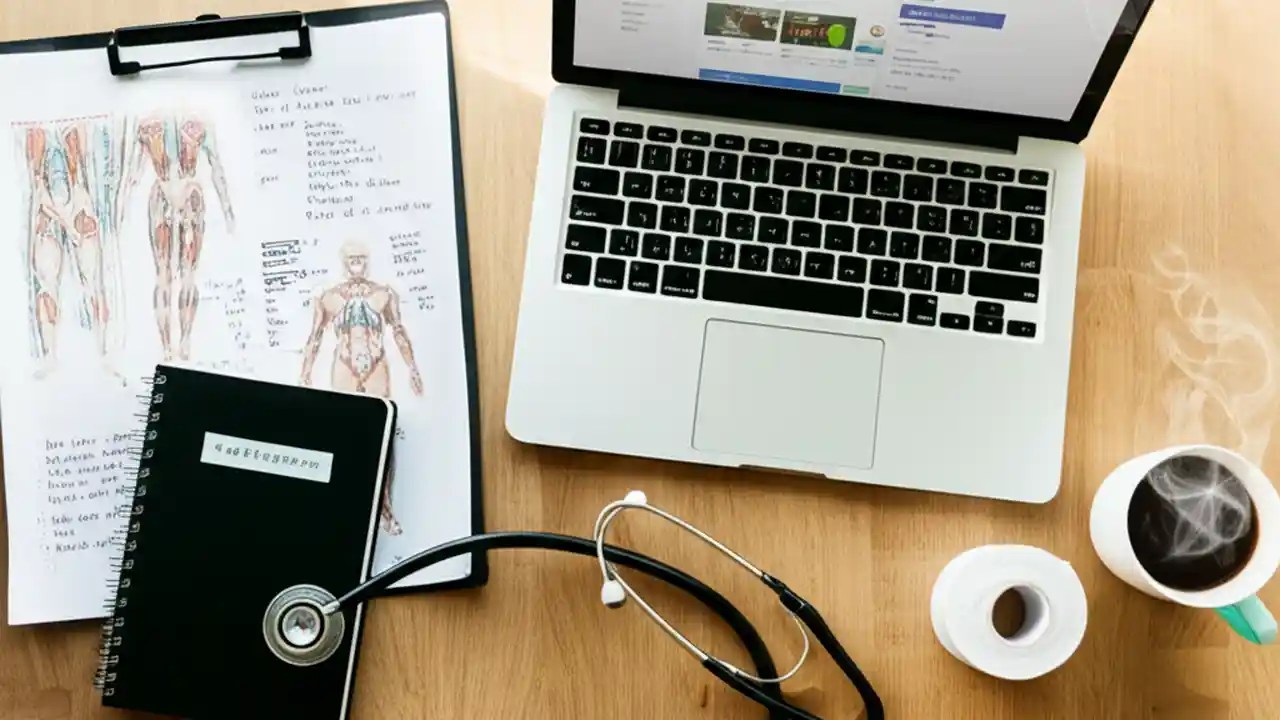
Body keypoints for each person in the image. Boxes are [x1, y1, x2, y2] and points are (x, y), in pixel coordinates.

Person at [300, 239, 424, 534]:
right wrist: (305, 372)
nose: (357, 265)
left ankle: (385, 506)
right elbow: (314, 337)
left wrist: (412, 367)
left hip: (376, 364)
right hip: (344, 364)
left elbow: (399, 331)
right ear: (343, 262)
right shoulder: (328, 297)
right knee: (341, 435)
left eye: (361, 259)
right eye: (351, 259)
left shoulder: (383, 294)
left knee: (382, 434)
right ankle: (346, 508)